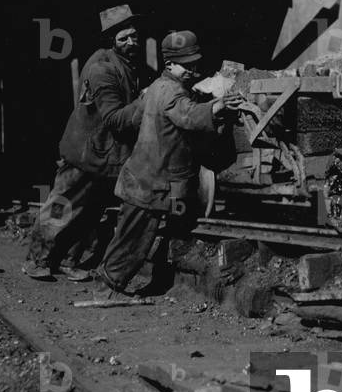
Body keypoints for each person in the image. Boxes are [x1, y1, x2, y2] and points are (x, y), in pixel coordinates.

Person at [96, 30, 242, 294]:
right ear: (169, 65)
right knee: (134, 239)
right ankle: (107, 287)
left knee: (131, 232)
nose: (192, 70)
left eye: (194, 63)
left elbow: (141, 117)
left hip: (142, 176)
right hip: (152, 181)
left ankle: (110, 281)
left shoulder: (156, 87)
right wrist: (216, 107)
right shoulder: (172, 92)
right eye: (186, 65)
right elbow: (186, 115)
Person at [22, 4, 147, 280]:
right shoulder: (102, 68)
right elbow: (114, 118)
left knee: (90, 213)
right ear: (111, 39)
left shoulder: (128, 64)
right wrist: (146, 101)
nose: (131, 42)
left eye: (134, 36)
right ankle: (36, 260)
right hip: (84, 152)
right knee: (61, 206)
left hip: (106, 155)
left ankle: (68, 260)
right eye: (124, 38)